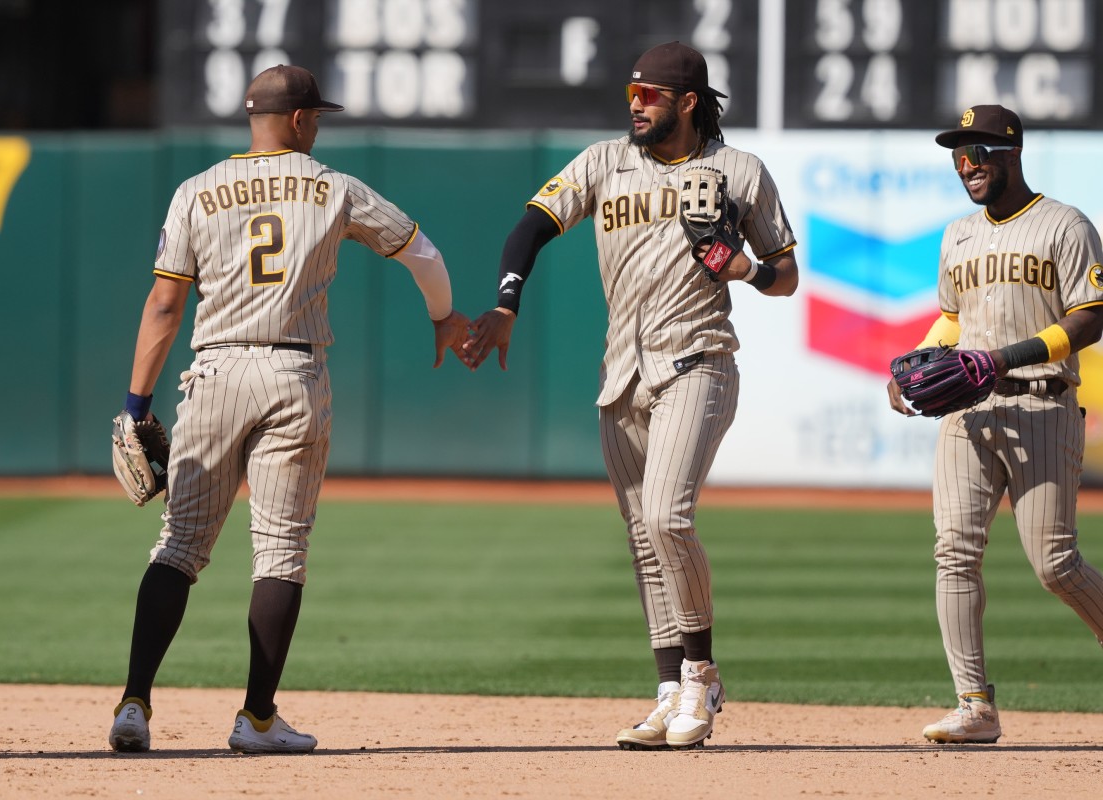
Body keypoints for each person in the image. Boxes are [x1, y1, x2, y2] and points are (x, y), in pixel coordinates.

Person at [107, 64, 472, 754]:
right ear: (301, 119)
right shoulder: (333, 186)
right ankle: (257, 719)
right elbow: (422, 253)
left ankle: (133, 704)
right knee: (279, 551)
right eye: (317, 116)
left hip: (212, 371)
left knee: (180, 547)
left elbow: (163, 304)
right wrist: (444, 317)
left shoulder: (196, 190)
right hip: (293, 371)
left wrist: (135, 405)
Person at [463, 41, 799, 750]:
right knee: (646, 541)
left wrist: (742, 267)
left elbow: (786, 274)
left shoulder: (737, 171)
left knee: (668, 517)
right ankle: (669, 690)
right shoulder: (604, 162)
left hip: (698, 360)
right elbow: (532, 226)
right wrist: (506, 304)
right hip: (621, 373)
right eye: (631, 95)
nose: (636, 106)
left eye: (649, 96)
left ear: (687, 101)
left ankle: (701, 675)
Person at [888, 104, 1103, 744]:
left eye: (978, 151)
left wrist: (1004, 356)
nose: (966, 164)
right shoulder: (958, 234)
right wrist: (910, 368)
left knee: (1055, 563)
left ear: (1010, 151)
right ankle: (974, 704)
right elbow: (954, 321)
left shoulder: (1065, 225)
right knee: (953, 551)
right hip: (969, 411)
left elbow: (1092, 316)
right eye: (958, 154)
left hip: (1041, 402)